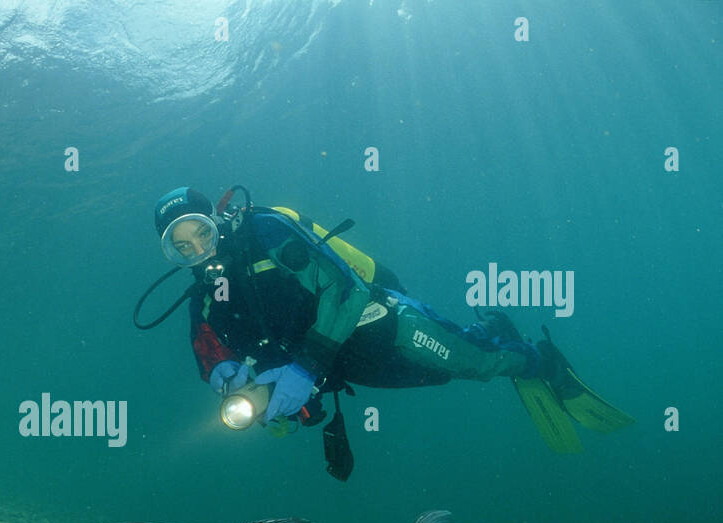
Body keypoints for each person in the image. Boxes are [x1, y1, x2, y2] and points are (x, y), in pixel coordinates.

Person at [140, 186, 632, 477]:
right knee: (438, 378)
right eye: (181, 247)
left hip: (381, 324)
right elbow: (204, 340)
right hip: (341, 361)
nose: (198, 250)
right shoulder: (205, 288)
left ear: (218, 220)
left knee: (475, 364)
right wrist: (220, 373)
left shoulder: (266, 234)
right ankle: (489, 329)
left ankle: (540, 358)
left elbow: (347, 292)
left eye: (201, 231)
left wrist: (303, 368)